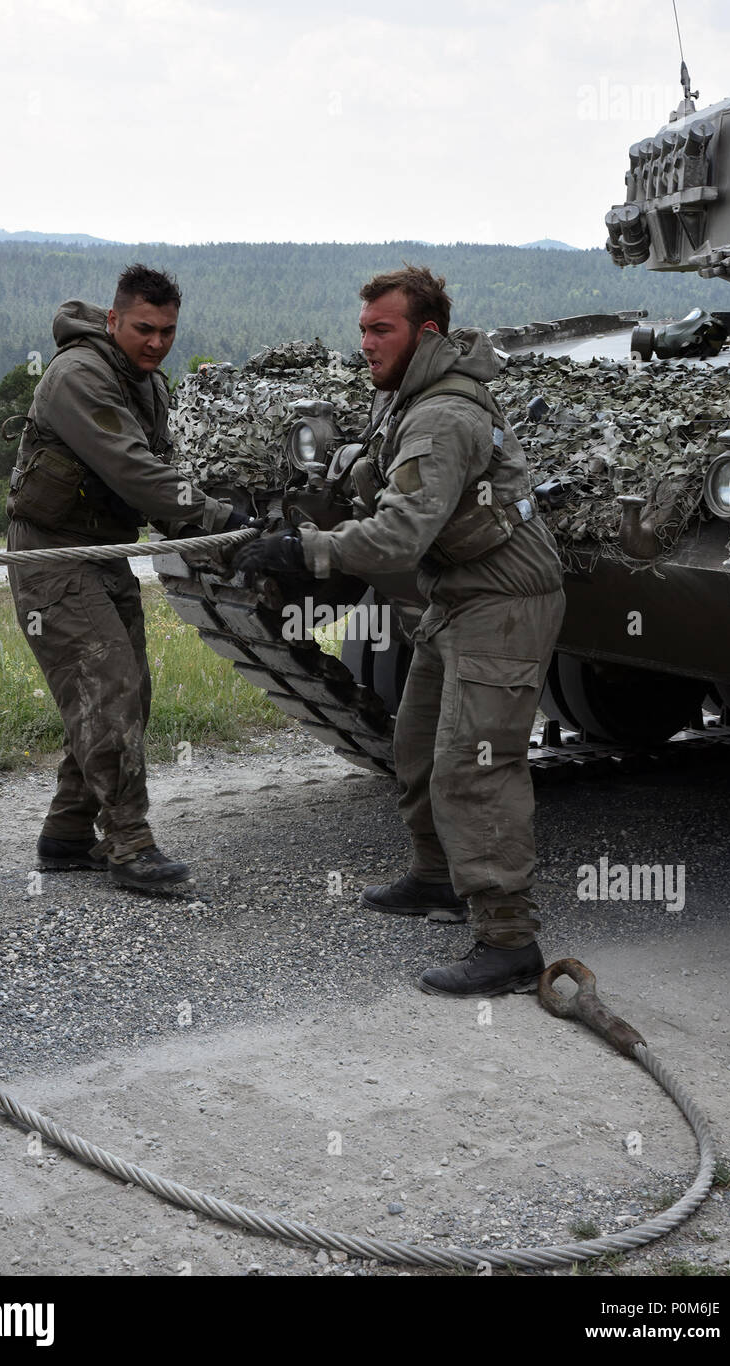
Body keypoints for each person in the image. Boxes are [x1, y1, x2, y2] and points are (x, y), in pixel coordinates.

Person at [236, 265, 565, 996]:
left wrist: (309, 550)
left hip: (503, 599)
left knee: (475, 767)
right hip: (457, 592)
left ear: (425, 335)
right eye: (361, 328)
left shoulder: (443, 416)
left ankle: (509, 942)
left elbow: (402, 533)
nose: (365, 343)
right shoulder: (406, 398)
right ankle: (436, 876)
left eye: (380, 329)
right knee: (416, 747)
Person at [7, 264, 250, 888]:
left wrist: (219, 536)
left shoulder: (142, 380)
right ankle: (129, 844)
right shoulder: (79, 375)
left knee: (124, 690)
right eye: (144, 328)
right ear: (113, 320)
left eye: (168, 331)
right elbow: (134, 469)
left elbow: (153, 475)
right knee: (108, 687)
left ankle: (67, 831)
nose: (157, 343)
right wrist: (218, 517)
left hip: (104, 549)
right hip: (53, 556)